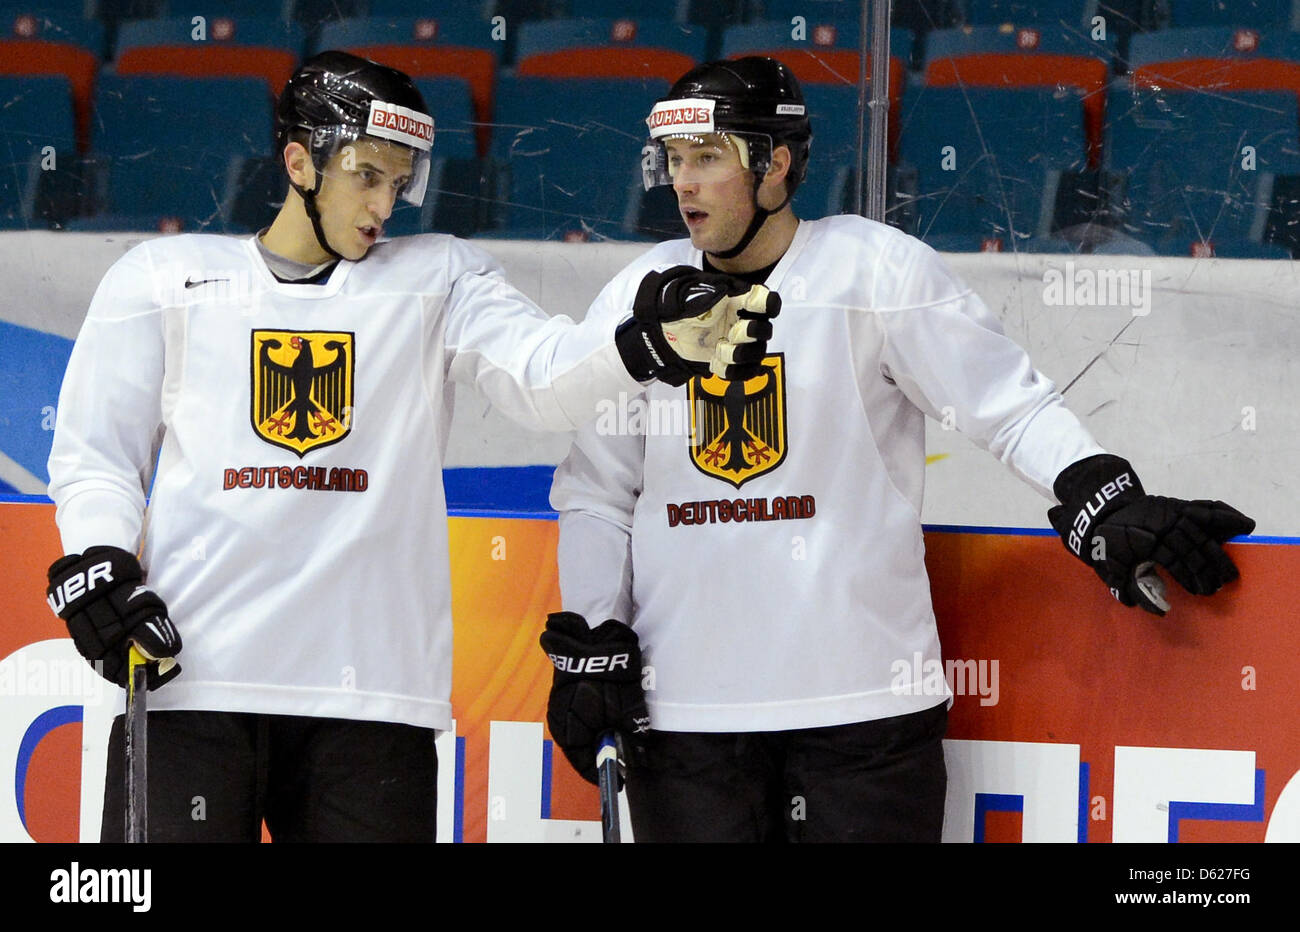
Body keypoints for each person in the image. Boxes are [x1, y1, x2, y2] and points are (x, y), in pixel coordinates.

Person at [43, 51, 778, 843]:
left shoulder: (439, 279)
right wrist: (99, 562)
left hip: (372, 708)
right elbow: (96, 457)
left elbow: (542, 377)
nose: (384, 204)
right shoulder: (163, 277)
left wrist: (645, 345)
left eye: (399, 181)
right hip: (190, 689)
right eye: (366, 176)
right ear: (298, 162)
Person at [539, 57, 1256, 842]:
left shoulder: (873, 269)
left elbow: (1007, 406)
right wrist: (593, 636)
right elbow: (597, 494)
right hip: (683, 718)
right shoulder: (639, 297)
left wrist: (1100, 494)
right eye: (676, 161)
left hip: (866, 715)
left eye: (708, 158)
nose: (683, 184)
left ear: (774, 164)